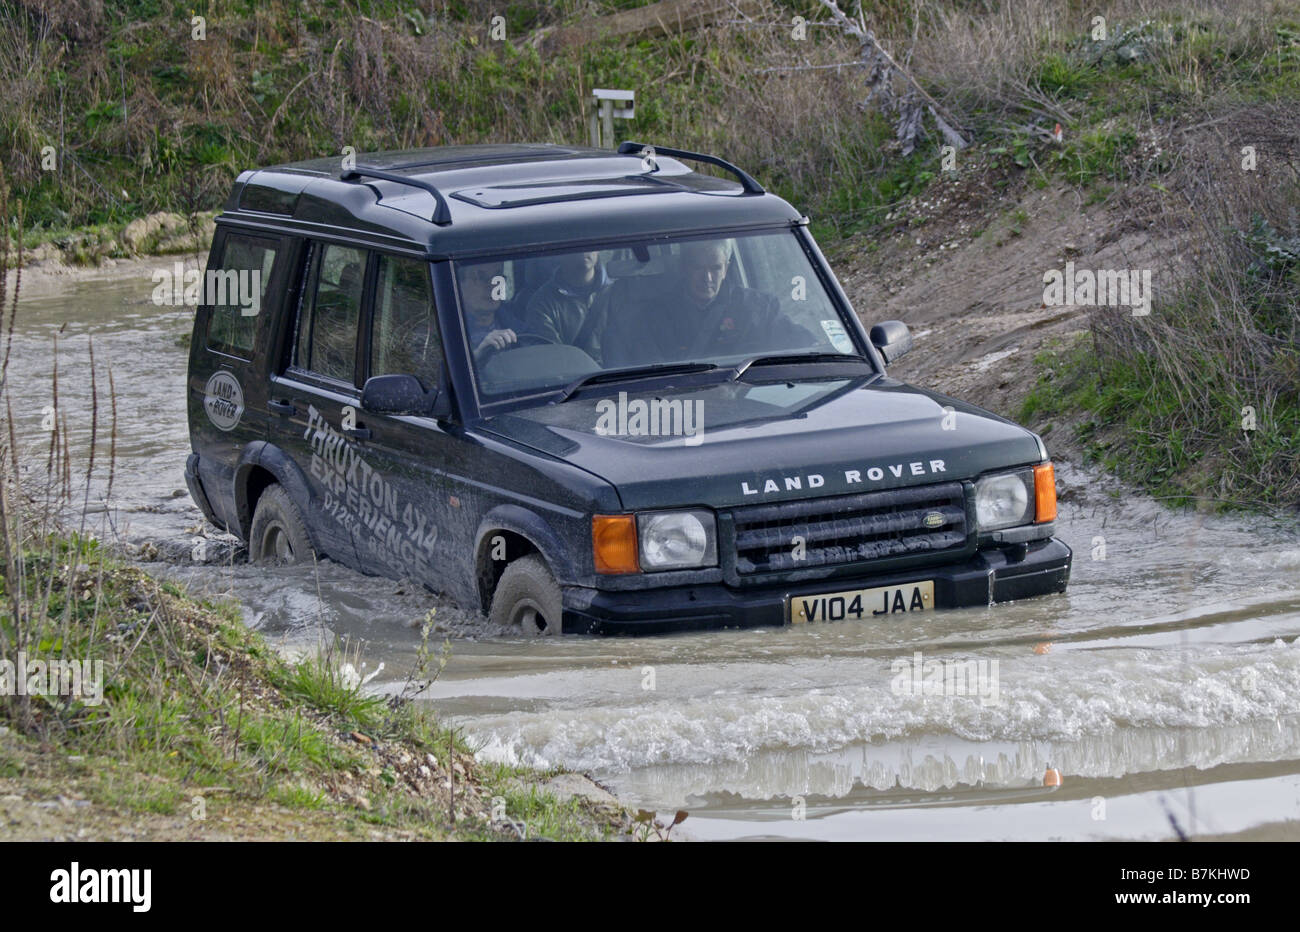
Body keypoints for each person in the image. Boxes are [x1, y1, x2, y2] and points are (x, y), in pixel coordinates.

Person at [602, 240, 815, 367]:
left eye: (715, 268)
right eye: (699, 268)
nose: (708, 278)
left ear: (727, 267)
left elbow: (802, 346)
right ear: (684, 267)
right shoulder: (654, 316)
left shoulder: (759, 308)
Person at [524, 250, 608, 360]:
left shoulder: (619, 291)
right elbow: (557, 361)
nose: (583, 249)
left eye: (588, 239)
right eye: (577, 241)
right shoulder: (541, 303)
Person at [460, 260, 527, 359]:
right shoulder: (447, 332)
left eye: (498, 277)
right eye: (481, 277)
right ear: (459, 284)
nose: (493, 286)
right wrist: (477, 356)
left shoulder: (521, 325)